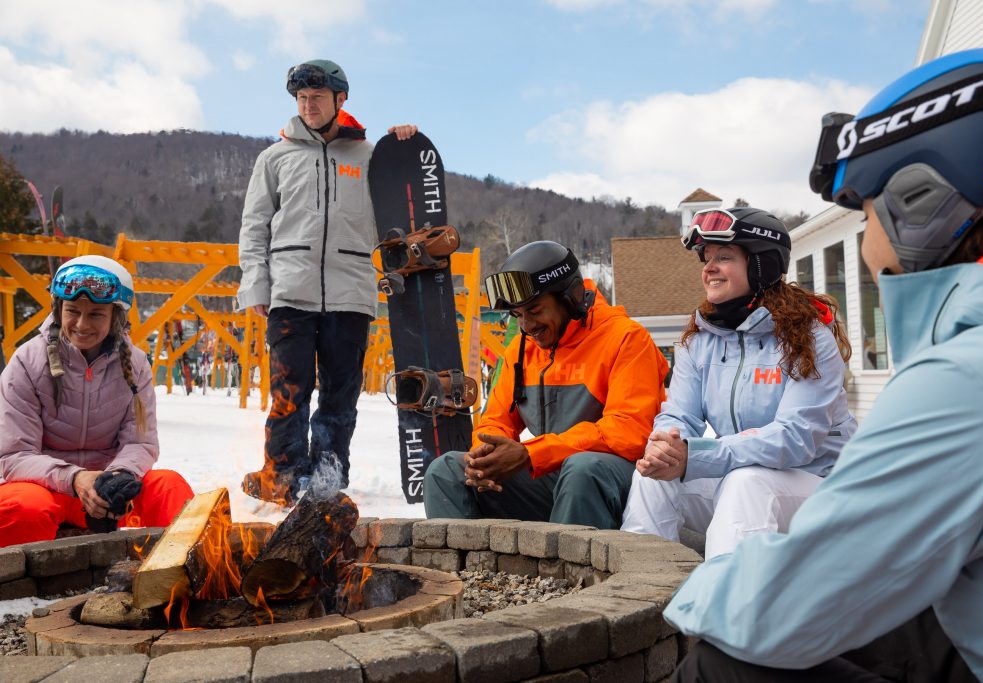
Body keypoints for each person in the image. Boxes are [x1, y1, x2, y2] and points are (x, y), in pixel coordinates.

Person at [667, 46, 983, 682]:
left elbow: (789, 605)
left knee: (723, 663)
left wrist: (678, 602)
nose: (865, 244)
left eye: (866, 213)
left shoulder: (976, 374)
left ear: (923, 202)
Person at [620, 208, 856, 559]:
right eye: (707, 258)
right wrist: (666, 446)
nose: (709, 268)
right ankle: (642, 592)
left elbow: (794, 439)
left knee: (745, 482)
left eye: (724, 257)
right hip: (743, 481)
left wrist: (697, 456)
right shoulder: (700, 339)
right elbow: (679, 414)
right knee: (654, 478)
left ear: (762, 265)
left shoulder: (809, 338)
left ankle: (728, 607)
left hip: (824, 489)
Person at [237, 59, 418, 504]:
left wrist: (404, 146)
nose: (308, 105)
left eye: (317, 97)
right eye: (301, 98)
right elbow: (254, 225)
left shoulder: (369, 155)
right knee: (289, 393)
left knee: (340, 395)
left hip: (350, 294)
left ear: (341, 99)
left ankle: (327, 476)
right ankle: (282, 475)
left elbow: (406, 197)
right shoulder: (274, 158)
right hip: (289, 293)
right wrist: (256, 285)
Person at [423, 240, 669, 529]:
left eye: (535, 310)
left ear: (571, 297)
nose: (527, 326)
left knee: (582, 470)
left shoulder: (626, 339)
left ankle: (568, 573)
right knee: (446, 471)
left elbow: (629, 433)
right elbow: (495, 421)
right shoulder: (521, 348)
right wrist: (485, 458)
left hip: (618, 482)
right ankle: (468, 573)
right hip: (554, 474)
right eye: (518, 315)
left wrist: (532, 454)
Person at [0, 255, 194, 547]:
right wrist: (76, 479)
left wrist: (116, 479)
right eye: (72, 311)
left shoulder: (136, 365)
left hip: (110, 494)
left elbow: (140, 442)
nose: (81, 324)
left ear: (115, 317)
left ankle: (181, 575)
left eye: (96, 315)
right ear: (58, 310)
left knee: (170, 488)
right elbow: (13, 455)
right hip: (47, 488)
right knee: (20, 508)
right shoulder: (27, 362)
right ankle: (19, 584)